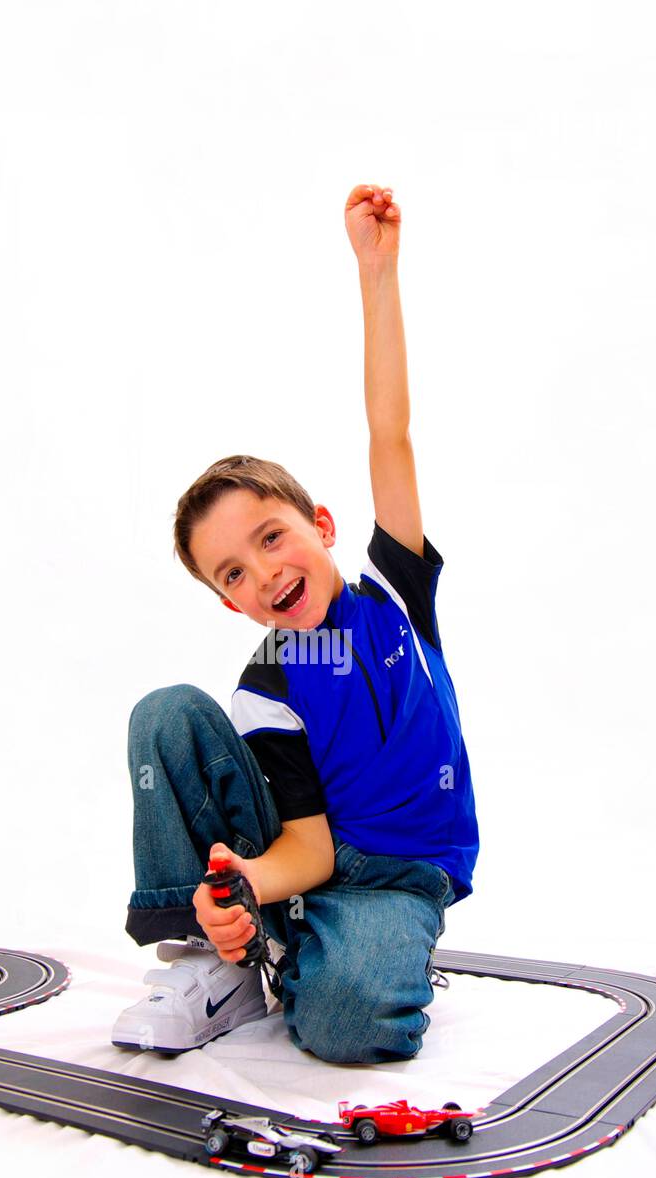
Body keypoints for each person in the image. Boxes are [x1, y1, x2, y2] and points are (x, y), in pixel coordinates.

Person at [112, 183, 480, 1064]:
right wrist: (244, 882)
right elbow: (306, 844)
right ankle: (220, 954)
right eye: (233, 573)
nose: (265, 573)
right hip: (306, 867)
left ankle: (313, 956)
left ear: (320, 524)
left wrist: (377, 272)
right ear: (228, 602)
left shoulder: (394, 594)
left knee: (351, 1030)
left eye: (271, 539)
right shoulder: (264, 688)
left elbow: (389, 432)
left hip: (397, 883)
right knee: (165, 710)